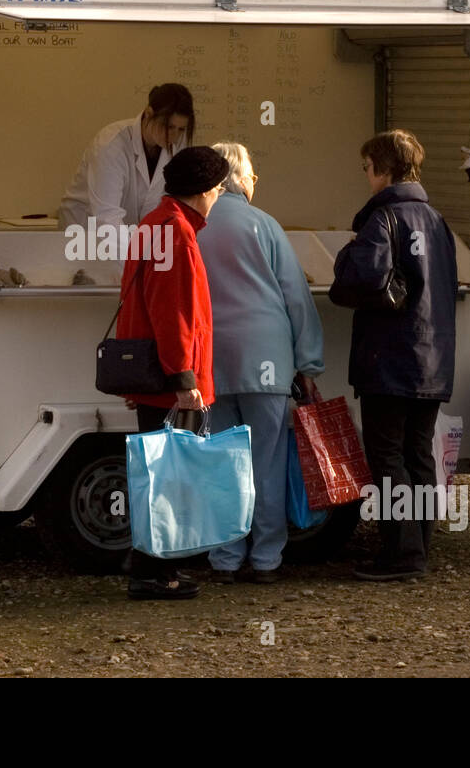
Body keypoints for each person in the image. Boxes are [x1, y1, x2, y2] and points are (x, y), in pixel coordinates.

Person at [330, 129, 456, 582]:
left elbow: (355, 278)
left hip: (389, 358)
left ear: (383, 169)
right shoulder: (437, 220)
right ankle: (418, 545)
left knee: (385, 455)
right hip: (433, 358)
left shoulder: (382, 218)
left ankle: (401, 553)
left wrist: (346, 249)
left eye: (367, 168)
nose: (366, 176)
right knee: (419, 453)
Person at [196, 142, 324, 584]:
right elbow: (296, 298)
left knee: (222, 460)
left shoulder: (194, 226)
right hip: (267, 359)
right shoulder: (265, 225)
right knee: (266, 459)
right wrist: (308, 362)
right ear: (241, 178)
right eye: (253, 176)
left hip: (211, 362)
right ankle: (267, 560)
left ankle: (226, 557)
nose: (255, 184)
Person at [118, 145, 230, 600]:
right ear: (204, 190)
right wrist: (185, 379)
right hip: (171, 381)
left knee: (157, 473)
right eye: (220, 188)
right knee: (169, 476)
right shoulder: (178, 234)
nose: (220, 195)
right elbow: (174, 313)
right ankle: (152, 571)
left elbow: (137, 303)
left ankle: (151, 564)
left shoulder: (152, 226)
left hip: (151, 375)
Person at [58, 83, 194, 233]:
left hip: (126, 236)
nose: (174, 136)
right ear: (149, 114)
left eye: (181, 129)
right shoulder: (111, 144)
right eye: (168, 127)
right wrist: (134, 254)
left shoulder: (174, 149)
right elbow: (107, 217)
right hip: (83, 233)